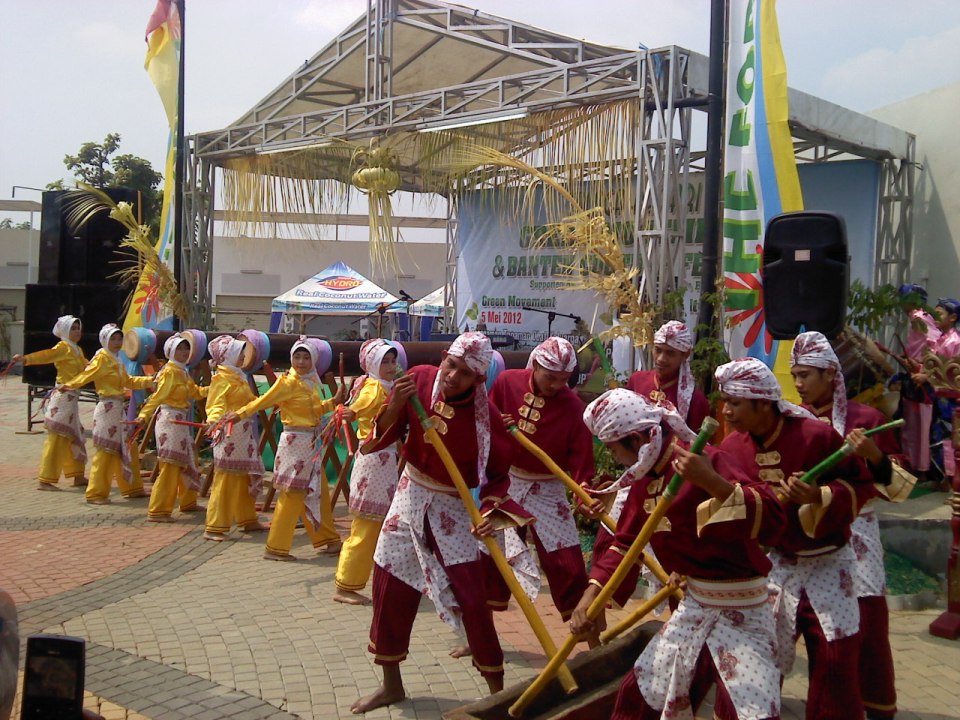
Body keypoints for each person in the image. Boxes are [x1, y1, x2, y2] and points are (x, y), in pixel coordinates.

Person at [571, 388, 786, 720]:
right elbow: (625, 542)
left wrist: (712, 482)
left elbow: (773, 519)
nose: (613, 457)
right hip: (695, 605)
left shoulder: (705, 459)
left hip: (742, 606)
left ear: (637, 437)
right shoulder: (645, 477)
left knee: (747, 712)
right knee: (640, 695)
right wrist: (590, 594)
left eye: (613, 448)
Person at [350, 332, 533, 715]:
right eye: (451, 365)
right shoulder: (416, 380)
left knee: (471, 598)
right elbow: (380, 435)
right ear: (443, 357)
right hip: (410, 492)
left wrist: (489, 513)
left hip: (454, 506)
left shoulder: (487, 423)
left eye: (465, 373)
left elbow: (499, 480)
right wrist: (396, 403)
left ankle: (496, 691)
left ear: (479, 379)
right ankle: (391, 684)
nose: (453, 376)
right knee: (390, 586)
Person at [716, 358, 875, 720]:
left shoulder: (815, 436)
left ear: (763, 403)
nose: (726, 411)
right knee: (755, 658)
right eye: (725, 401)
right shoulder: (731, 449)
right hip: (772, 568)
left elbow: (861, 486)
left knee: (835, 661)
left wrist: (819, 496)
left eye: (735, 403)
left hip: (829, 564)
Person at [790, 331, 916, 720]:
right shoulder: (791, 421)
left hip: (856, 534)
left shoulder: (868, 420)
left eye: (806, 375)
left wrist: (874, 453)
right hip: (798, 537)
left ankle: (869, 704)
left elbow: (899, 489)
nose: (798, 384)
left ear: (831, 374)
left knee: (864, 623)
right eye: (794, 375)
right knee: (789, 619)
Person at [487, 336, 593, 621]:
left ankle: (590, 637)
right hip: (506, 483)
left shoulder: (573, 408)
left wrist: (584, 490)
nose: (557, 386)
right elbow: (483, 422)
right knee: (492, 560)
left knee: (567, 563)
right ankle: (478, 639)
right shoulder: (508, 382)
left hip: (548, 488)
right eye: (550, 378)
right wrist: (498, 425)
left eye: (564, 379)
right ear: (534, 365)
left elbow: (582, 459)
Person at [228, 337, 344, 560]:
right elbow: (263, 401)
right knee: (292, 495)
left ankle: (329, 541)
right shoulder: (288, 382)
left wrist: (332, 402)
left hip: (310, 443)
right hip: (295, 444)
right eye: (297, 357)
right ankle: (276, 547)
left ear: (314, 360)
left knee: (317, 492)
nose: (301, 362)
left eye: (306, 357)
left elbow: (313, 412)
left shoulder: (309, 383)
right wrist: (239, 414)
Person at [333, 339, 400, 605]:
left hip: (383, 460)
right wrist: (349, 412)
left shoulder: (385, 387)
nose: (391, 366)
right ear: (372, 364)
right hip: (374, 461)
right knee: (366, 527)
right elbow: (358, 407)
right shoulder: (374, 388)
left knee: (381, 525)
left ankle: (383, 581)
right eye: (384, 361)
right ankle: (345, 584)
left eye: (393, 361)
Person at [60, 324, 155, 504]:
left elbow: (128, 381)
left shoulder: (117, 359)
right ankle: (96, 493)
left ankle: (133, 488)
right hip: (107, 408)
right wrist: (70, 385)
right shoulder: (102, 358)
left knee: (128, 447)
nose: (117, 343)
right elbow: (87, 375)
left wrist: (150, 380)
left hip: (118, 409)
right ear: (105, 340)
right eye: (113, 339)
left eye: (120, 339)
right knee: (106, 451)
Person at [133, 334, 207, 523]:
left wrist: (216, 386)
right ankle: (159, 510)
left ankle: (188, 501)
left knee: (188, 460)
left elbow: (195, 392)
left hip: (180, 420)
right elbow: (158, 397)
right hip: (170, 420)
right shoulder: (170, 372)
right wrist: (143, 415)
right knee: (171, 464)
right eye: (179, 349)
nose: (184, 353)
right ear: (170, 352)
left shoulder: (182, 371)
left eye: (186, 349)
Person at [12, 315, 89, 490]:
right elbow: (47, 355)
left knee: (74, 436)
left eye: (78, 328)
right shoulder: (63, 347)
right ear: (64, 332)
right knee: (57, 439)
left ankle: (77, 475)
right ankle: (45, 479)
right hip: (62, 399)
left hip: (72, 400)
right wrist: (26, 359)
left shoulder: (77, 349)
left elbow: (86, 368)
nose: (77, 332)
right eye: (73, 329)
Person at [202, 335, 266, 541]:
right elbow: (215, 404)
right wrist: (213, 419)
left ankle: (246, 519)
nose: (243, 356)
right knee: (226, 479)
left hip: (243, 434)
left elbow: (249, 401)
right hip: (228, 434)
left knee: (243, 477)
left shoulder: (238, 376)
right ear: (228, 356)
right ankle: (215, 526)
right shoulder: (221, 379)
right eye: (239, 352)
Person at [625, 320, 711, 431]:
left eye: (670, 353)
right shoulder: (636, 381)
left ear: (685, 355)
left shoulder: (695, 400)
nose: (661, 359)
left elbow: (696, 444)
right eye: (658, 350)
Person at [895, 284, 939, 480]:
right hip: (913, 372)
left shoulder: (920, 318)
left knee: (919, 425)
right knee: (911, 424)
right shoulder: (915, 318)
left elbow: (936, 343)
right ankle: (912, 464)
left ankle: (920, 468)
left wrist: (924, 369)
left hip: (921, 376)